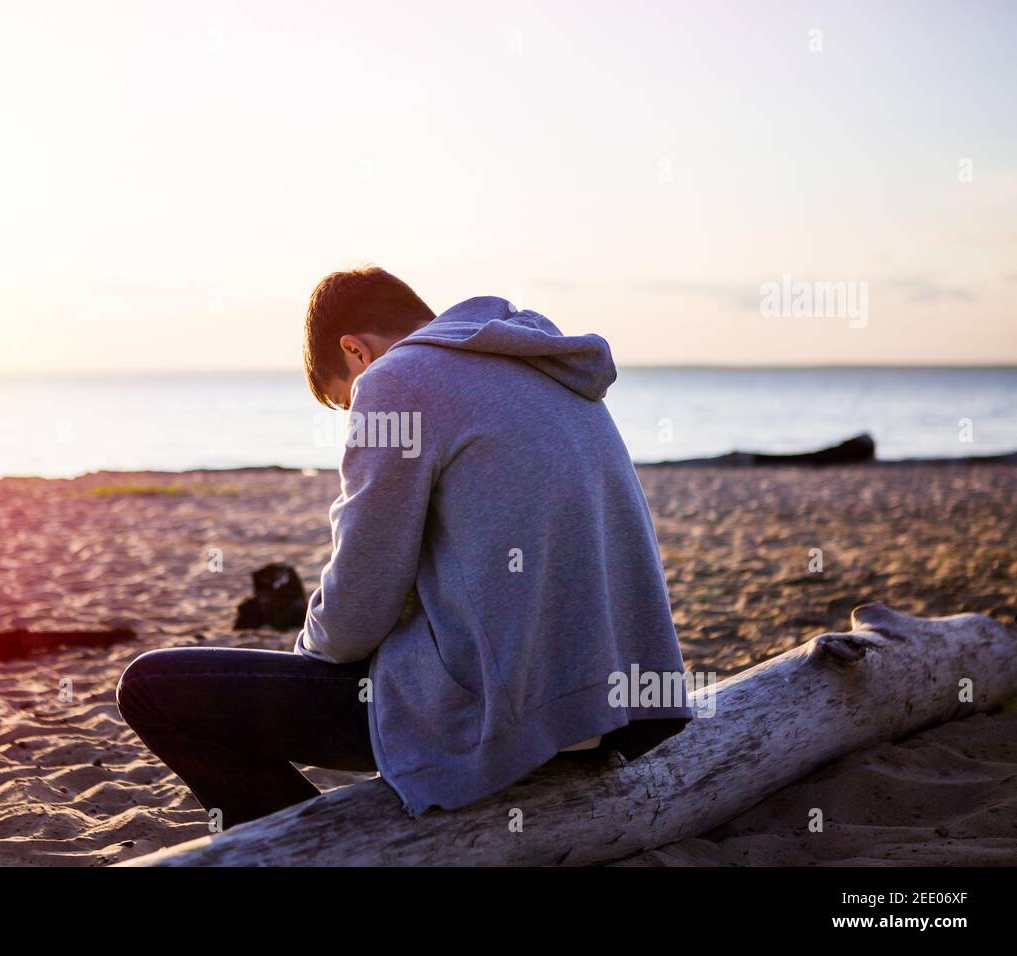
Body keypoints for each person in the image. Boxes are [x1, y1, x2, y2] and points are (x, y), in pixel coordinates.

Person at [117, 266, 691, 829]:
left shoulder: (398, 380)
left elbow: (357, 606)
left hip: (505, 710)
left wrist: (308, 663)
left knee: (151, 690)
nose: (356, 412)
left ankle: (320, 848)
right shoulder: (542, 363)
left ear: (355, 352)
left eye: (346, 403)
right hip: (619, 708)